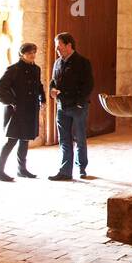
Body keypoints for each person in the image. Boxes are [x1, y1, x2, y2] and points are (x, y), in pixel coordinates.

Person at [0, 42, 45, 181]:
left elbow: (38, 85)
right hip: (17, 110)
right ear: (22, 54)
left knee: (25, 139)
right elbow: (0, 88)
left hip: (30, 108)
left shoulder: (36, 69)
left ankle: (22, 169)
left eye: (34, 52)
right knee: (11, 140)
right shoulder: (13, 69)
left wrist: (43, 99)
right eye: (29, 53)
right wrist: (12, 102)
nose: (32, 55)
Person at [48, 32, 93, 181]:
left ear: (69, 45)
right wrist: (51, 91)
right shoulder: (57, 63)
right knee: (64, 140)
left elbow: (88, 85)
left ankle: (81, 168)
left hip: (77, 107)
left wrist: (80, 104)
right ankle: (65, 171)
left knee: (80, 138)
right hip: (62, 107)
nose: (57, 50)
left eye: (59, 46)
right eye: (56, 47)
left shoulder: (83, 62)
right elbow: (53, 82)